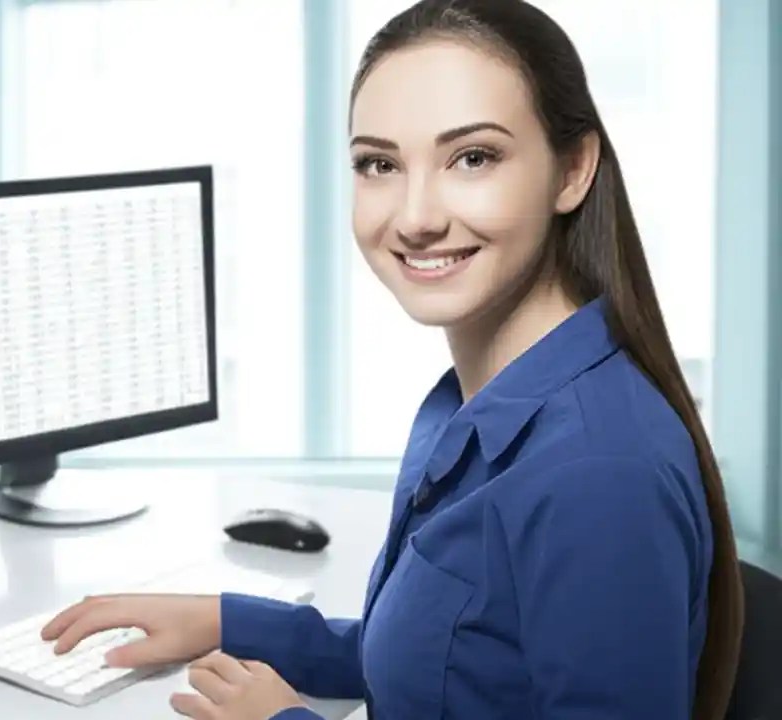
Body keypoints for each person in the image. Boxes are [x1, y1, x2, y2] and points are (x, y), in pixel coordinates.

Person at [40, 0, 745, 717]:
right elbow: (445, 665)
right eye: (379, 163)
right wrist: (229, 622)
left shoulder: (597, 476)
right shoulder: (470, 406)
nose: (414, 217)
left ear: (572, 170)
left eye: (473, 157)